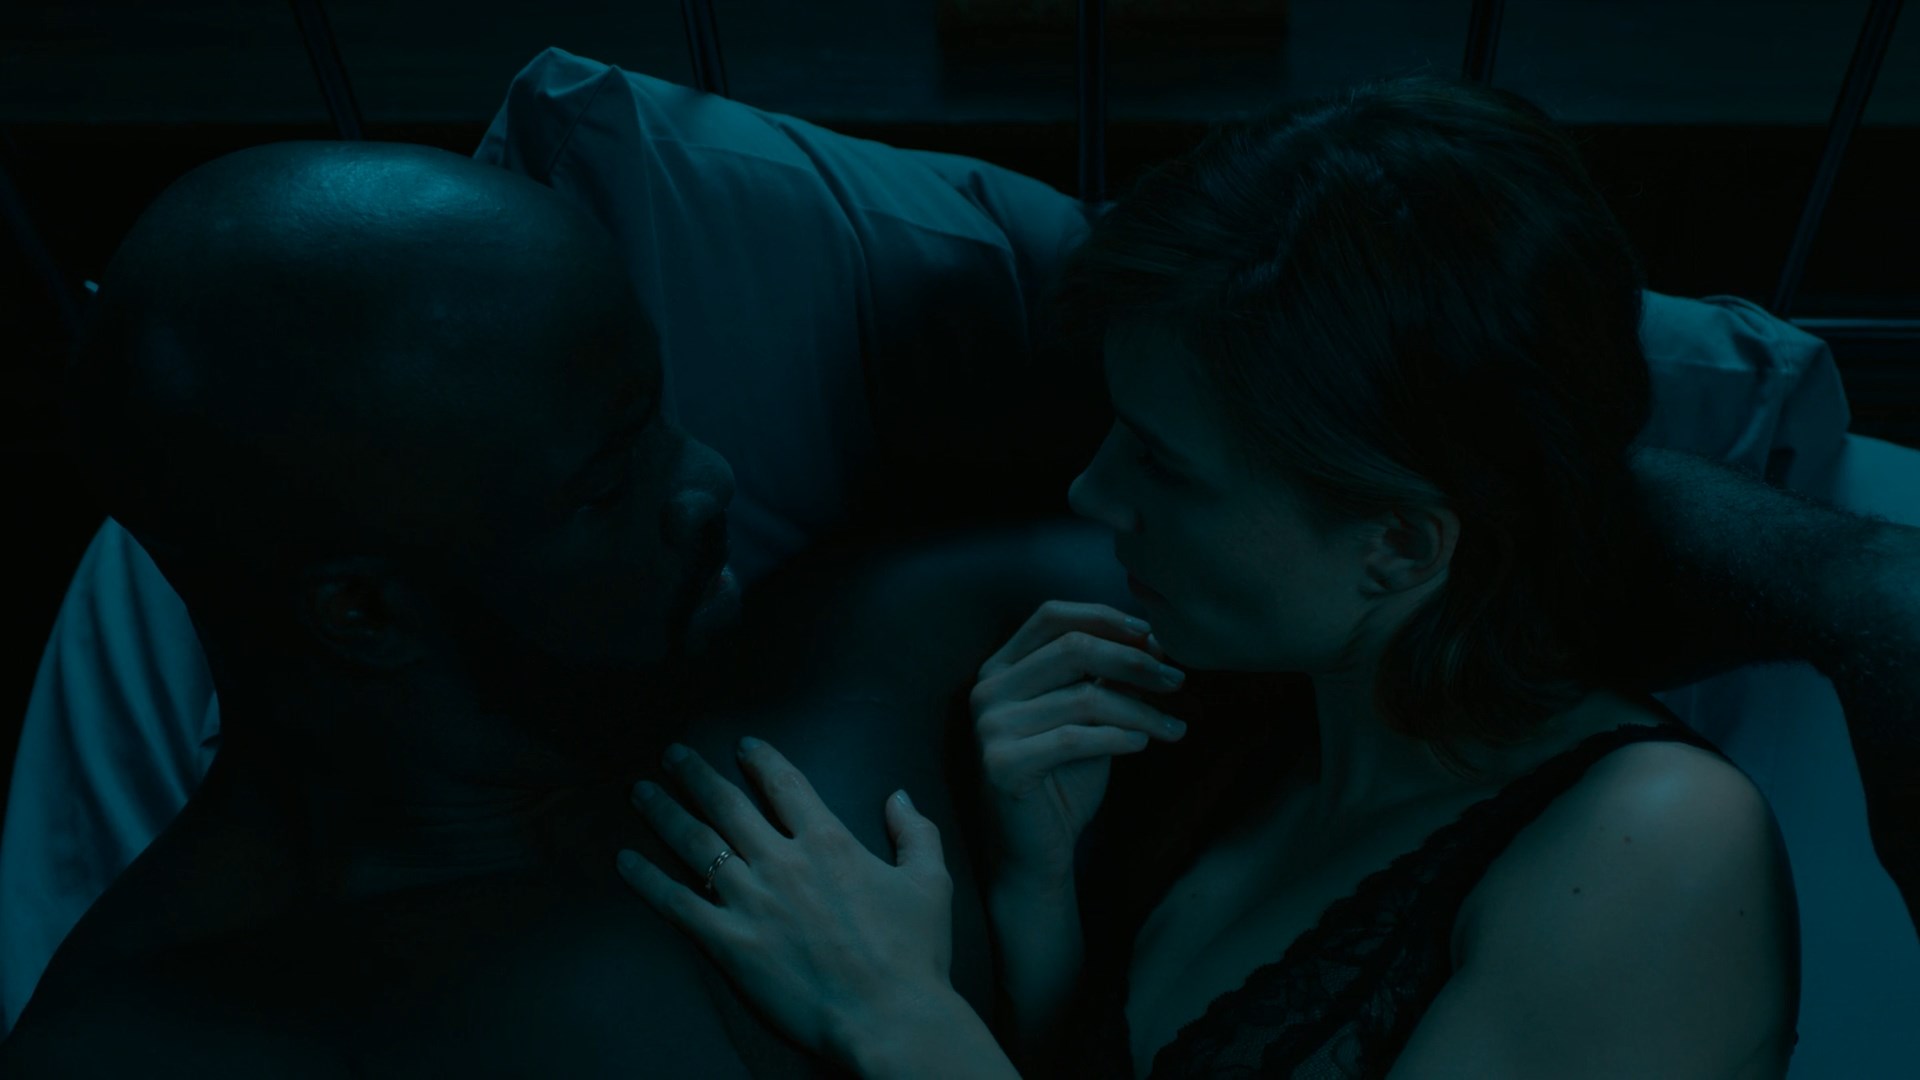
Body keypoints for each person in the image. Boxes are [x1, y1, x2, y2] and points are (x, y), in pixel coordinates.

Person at [613, 75, 1919, 1079]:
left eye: (1167, 466)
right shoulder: (1275, 728)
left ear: (1398, 545)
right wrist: (1037, 889)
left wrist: (904, 1024)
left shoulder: (1654, 851)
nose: (1092, 494)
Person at [0, 138, 1131, 1076]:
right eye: (602, 487)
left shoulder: (906, 647)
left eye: (654, 411)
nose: (708, 480)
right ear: (364, 612)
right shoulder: (161, 1045)